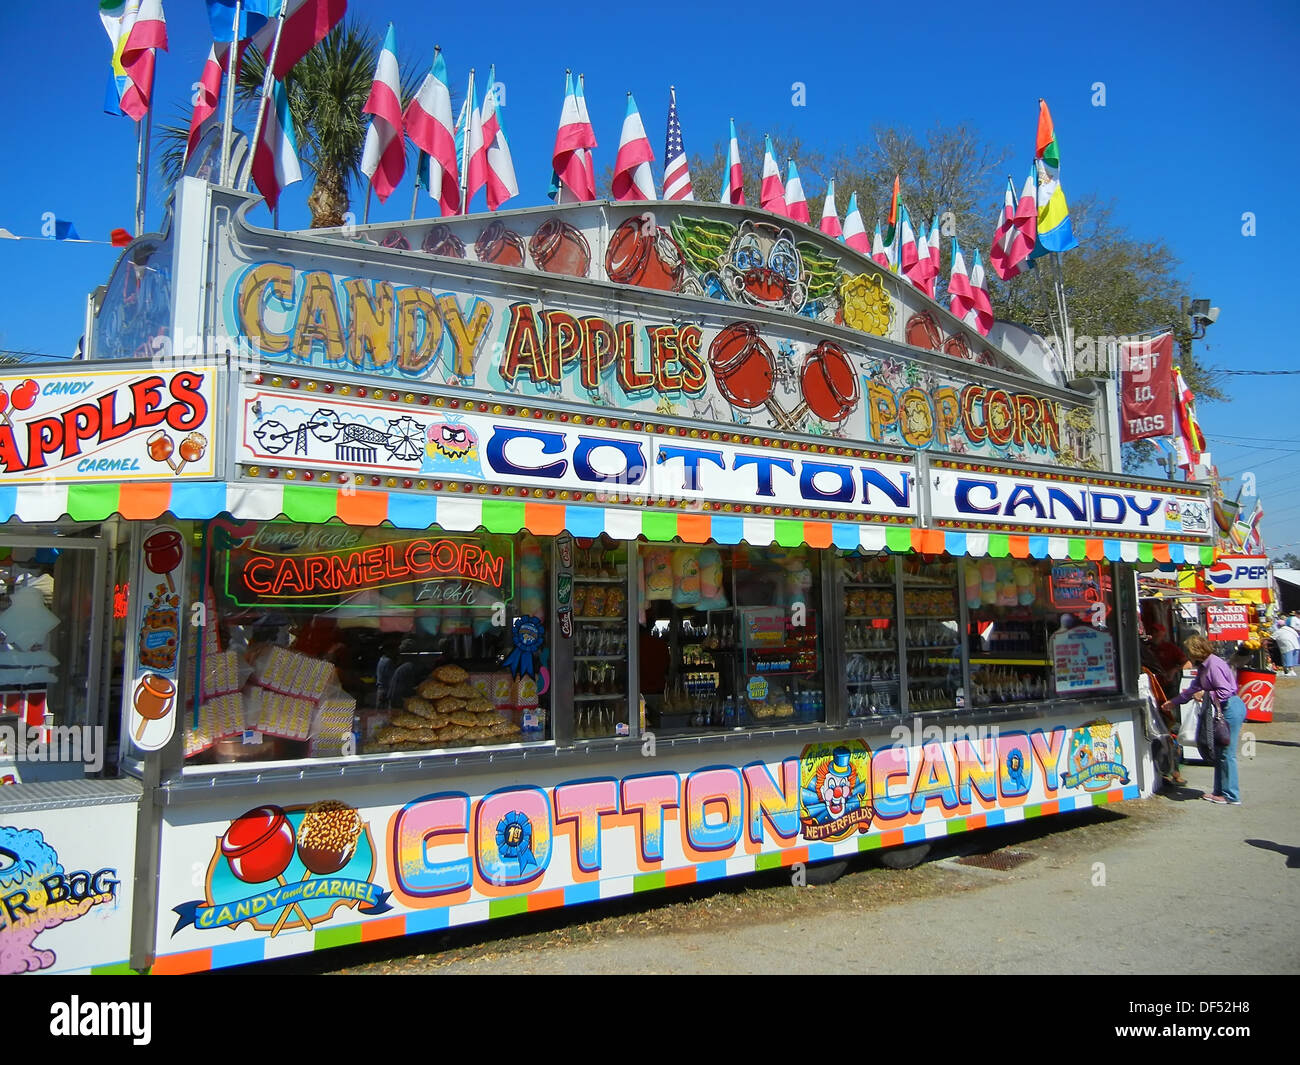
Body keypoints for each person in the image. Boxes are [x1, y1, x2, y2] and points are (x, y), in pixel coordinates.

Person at [1161, 634, 1246, 805]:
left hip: (1231, 708)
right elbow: (1193, 689)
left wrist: (1207, 694)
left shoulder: (1213, 665)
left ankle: (1231, 795)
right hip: (1224, 709)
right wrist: (1173, 702)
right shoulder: (1205, 666)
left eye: (1189, 652)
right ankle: (1219, 791)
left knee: (1226, 753)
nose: (1188, 655)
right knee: (1220, 751)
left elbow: (1226, 691)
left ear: (1195, 651)